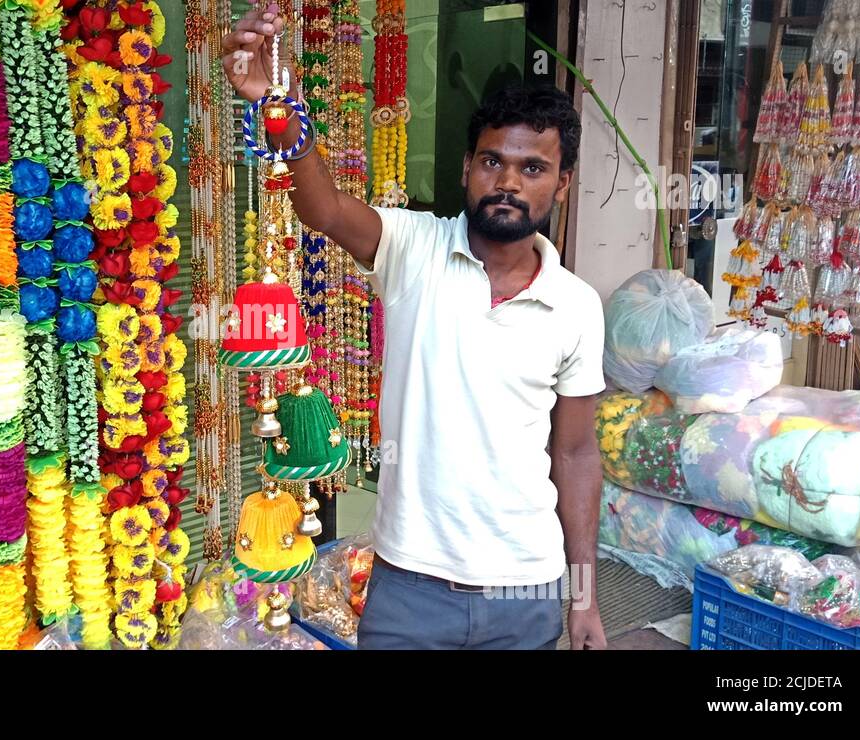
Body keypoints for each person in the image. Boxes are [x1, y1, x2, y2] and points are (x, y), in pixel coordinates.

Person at [223, 2, 608, 650]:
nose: (507, 182)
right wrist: (275, 104)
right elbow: (322, 208)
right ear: (466, 168)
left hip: (528, 589)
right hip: (409, 586)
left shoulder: (576, 305)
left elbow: (574, 454)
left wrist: (585, 596)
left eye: (533, 169)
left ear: (562, 184)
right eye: (492, 162)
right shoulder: (412, 248)